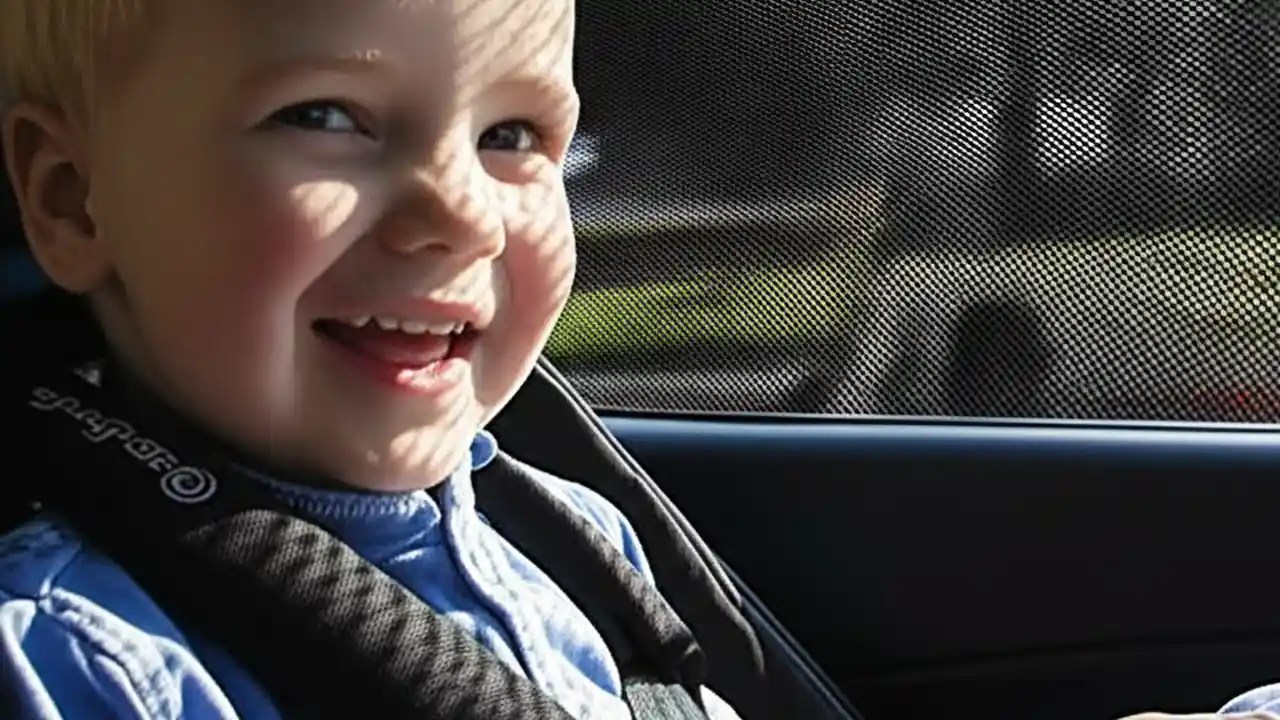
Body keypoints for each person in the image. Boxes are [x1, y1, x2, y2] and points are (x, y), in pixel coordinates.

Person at [0, 0, 739, 717]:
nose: (463, 214)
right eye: (322, 117)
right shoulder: (73, 659)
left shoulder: (579, 538)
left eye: (510, 135)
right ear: (73, 199)